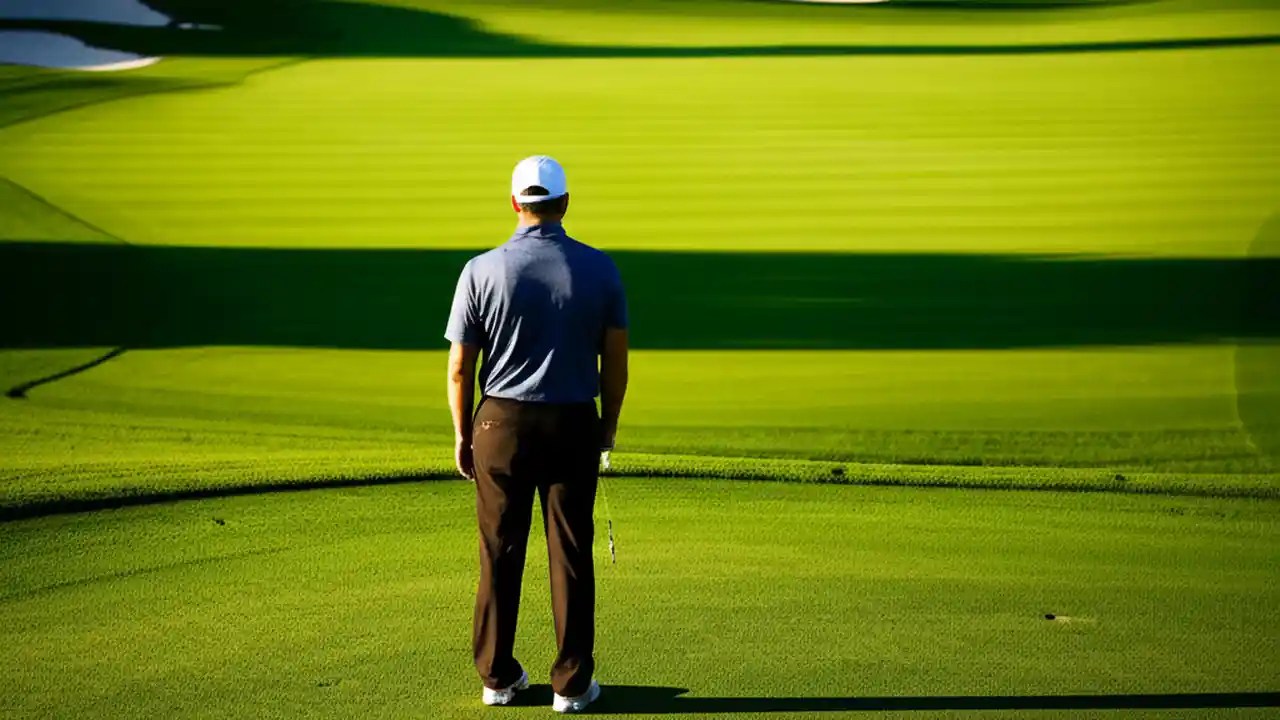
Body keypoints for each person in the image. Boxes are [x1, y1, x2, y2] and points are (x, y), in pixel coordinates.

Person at [444, 155, 629, 714]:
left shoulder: (481, 269)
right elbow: (615, 365)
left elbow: (459, 367)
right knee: (570, 551)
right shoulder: (601, 270)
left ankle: (498, 678)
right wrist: (608, 427)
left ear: (515, 204)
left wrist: (461, 434)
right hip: (573, 419)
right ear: (565, 205)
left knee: (499, 549)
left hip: (499, 423)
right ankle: (570, 685)